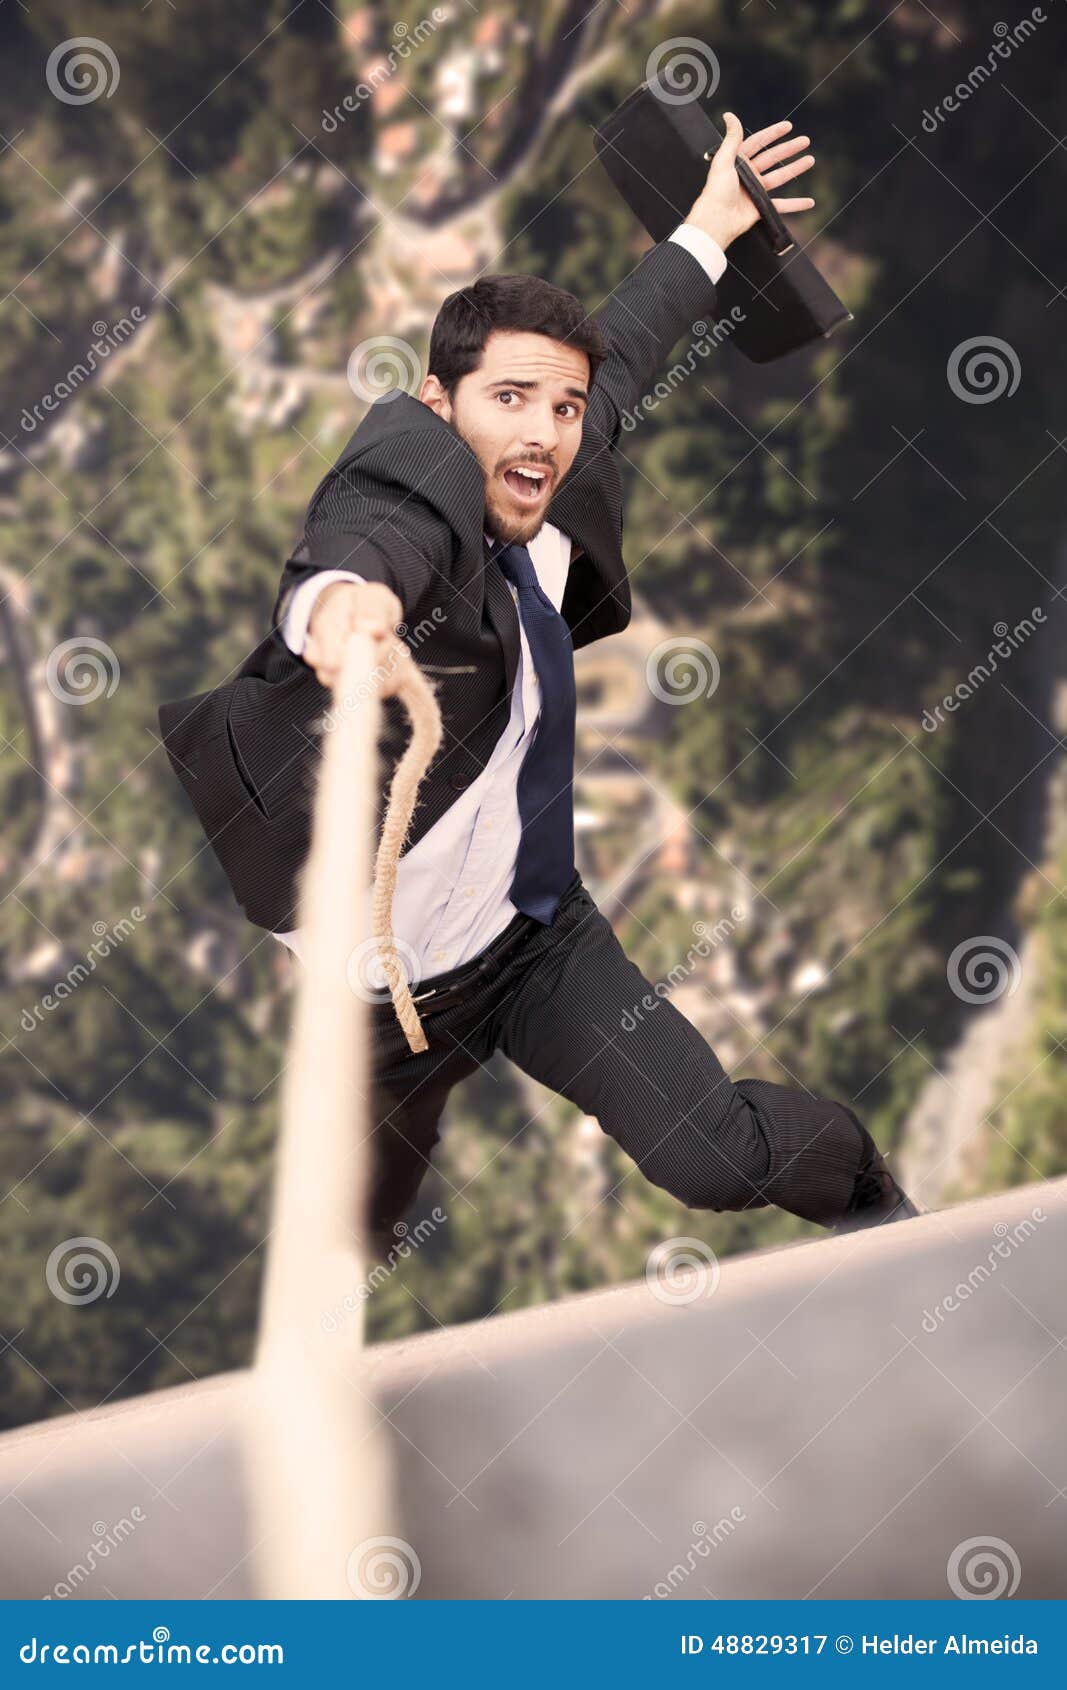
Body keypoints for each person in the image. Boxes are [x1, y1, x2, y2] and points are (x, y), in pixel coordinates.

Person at [159, 114, 917, 1256]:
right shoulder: (414, 482)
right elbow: (373, 527)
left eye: (560, 409)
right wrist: (343, 612)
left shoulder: (552, 476)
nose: (545, 430)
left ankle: (874, 1203)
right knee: (348, 1234)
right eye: (508, 398)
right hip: (367, 1010)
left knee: (714, 1158)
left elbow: (627, 341)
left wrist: (709, 226)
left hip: (531, 946)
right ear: (436, 404)